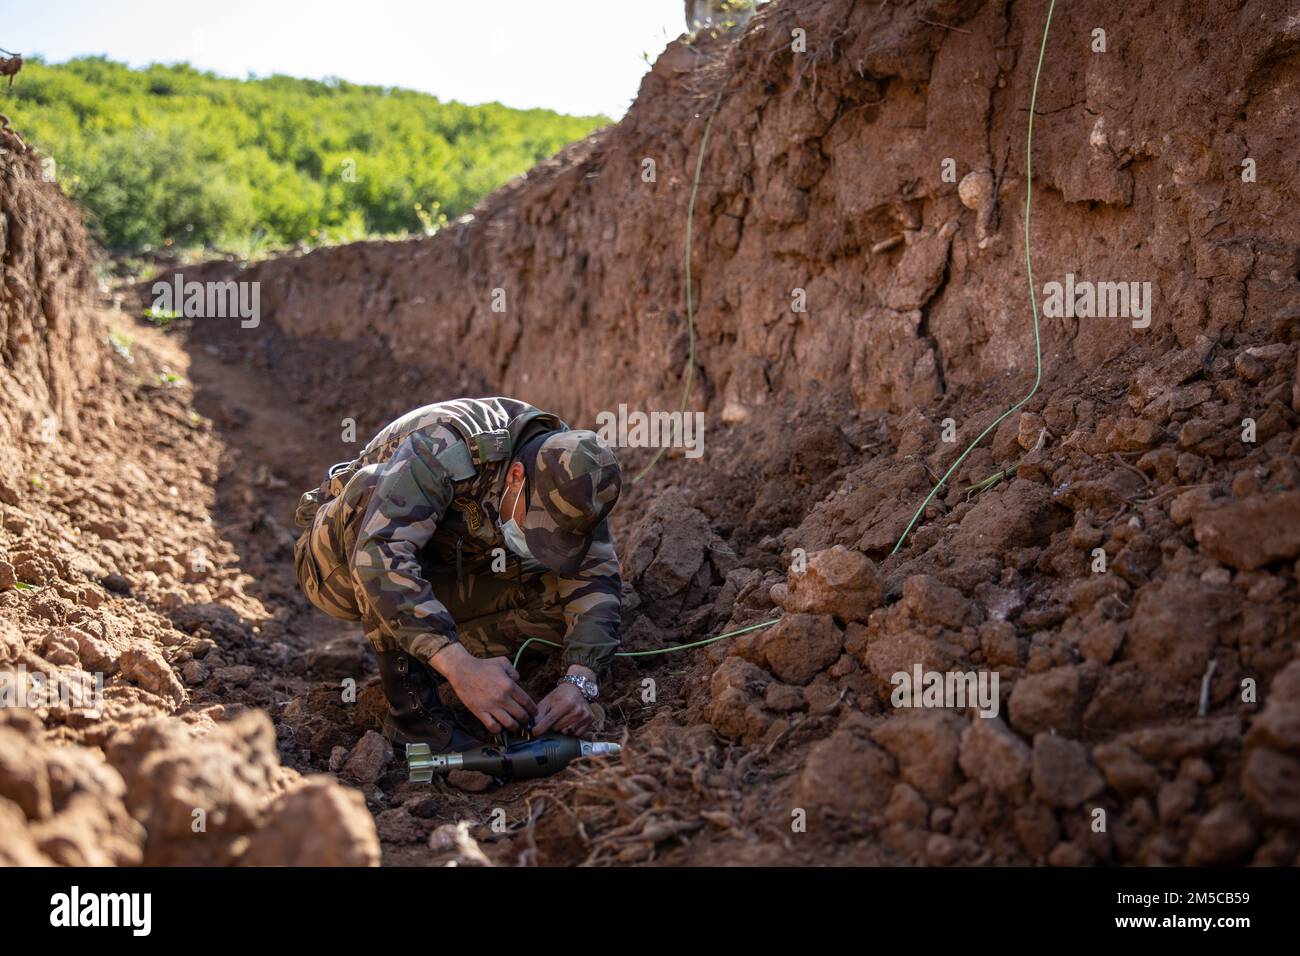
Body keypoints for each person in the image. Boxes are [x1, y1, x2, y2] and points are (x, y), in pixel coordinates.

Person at [293, 397, 622, 753]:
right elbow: (381, 553)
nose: (539, 539)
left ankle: (438, 656)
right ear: (516, 476)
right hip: (339, 565)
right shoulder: (446, 444)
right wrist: (459, 666)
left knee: (559, 601)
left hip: (456, 561)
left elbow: (594, 574)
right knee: (373, 494)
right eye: (537, 526)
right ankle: (412, 713)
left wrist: (579, 680)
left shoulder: (579, 474)